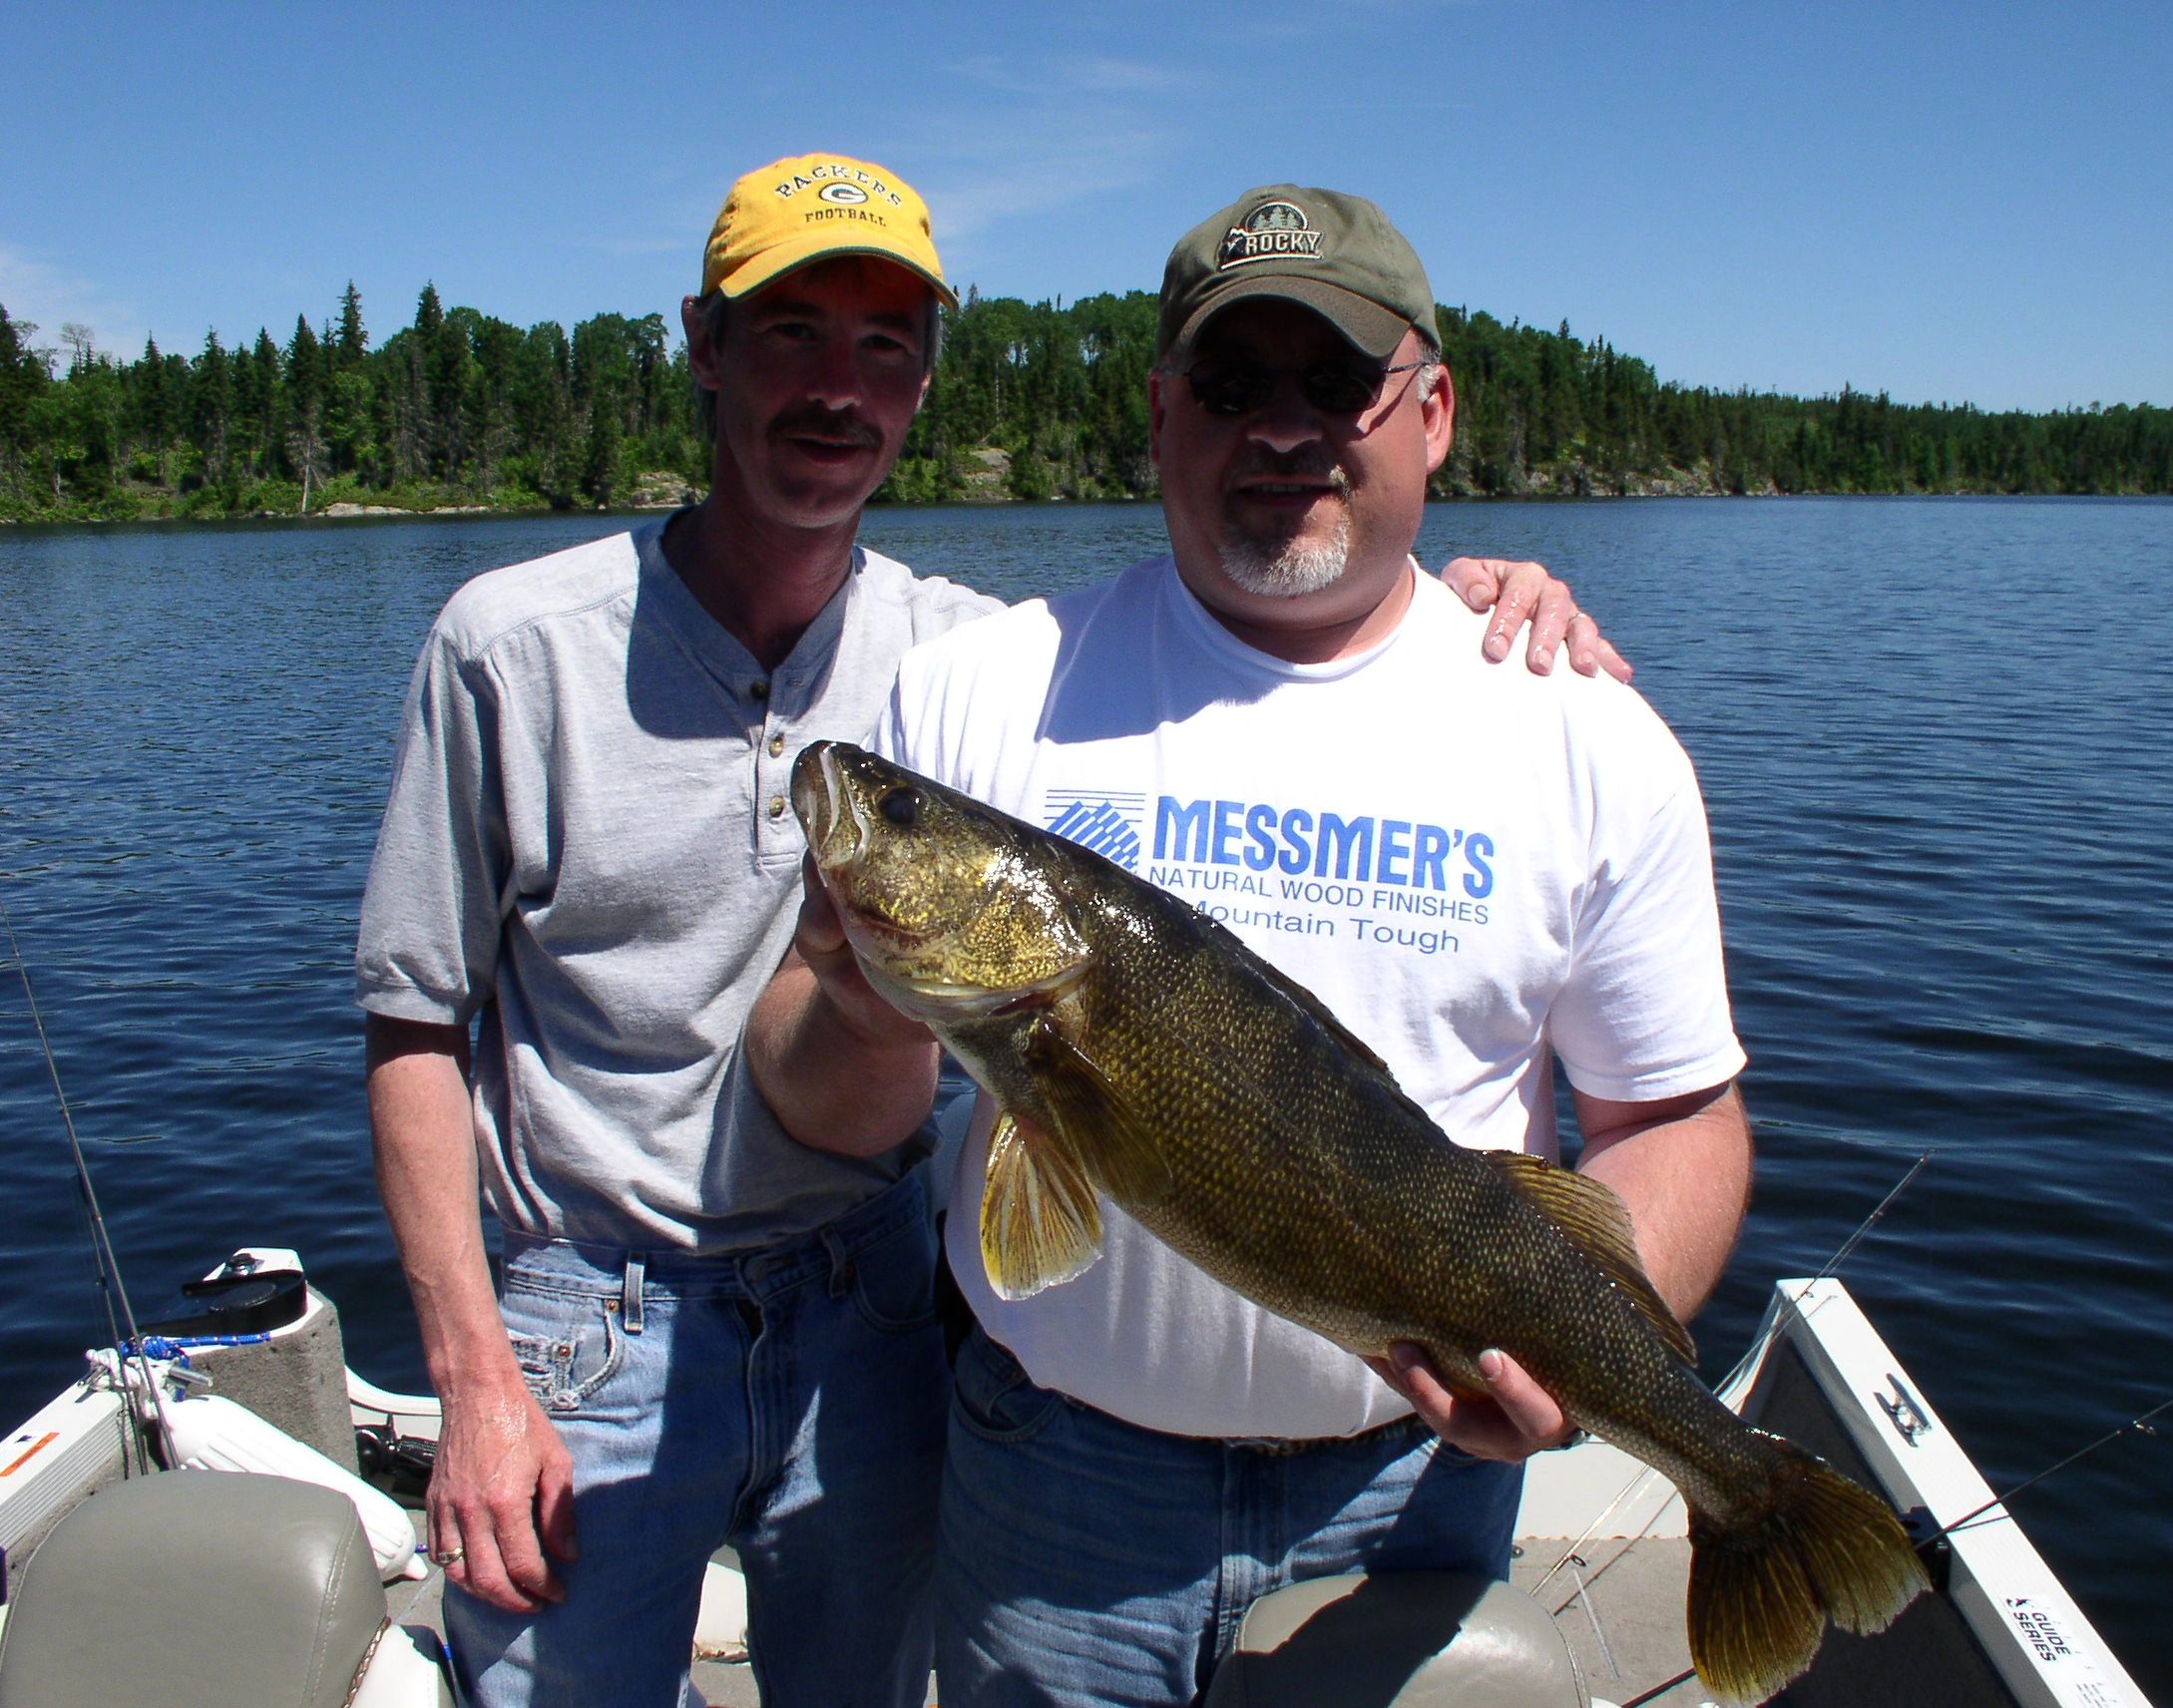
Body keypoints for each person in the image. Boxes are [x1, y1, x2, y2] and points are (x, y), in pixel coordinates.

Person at [357, 155, 1622, 1708]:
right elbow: (416, 1026)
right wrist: (476, 1374)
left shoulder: (963, 658)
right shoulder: (511, 646)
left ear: (927, 375)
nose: (840, 385)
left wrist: (1487, 597)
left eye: (886, 343)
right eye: (792, 331)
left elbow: (1273, 632)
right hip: (594, 1318)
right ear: (701, 342)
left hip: (878, 1308)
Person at [749, 182, 1751, 1708]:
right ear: (1161, 418)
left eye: (1337, 379)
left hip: (1412, 1494)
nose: (1284, 427)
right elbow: (815, 1105)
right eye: (1230, 384)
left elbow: (1672, 1119)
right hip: (1052, 1492)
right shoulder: (977, 693)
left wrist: (1575, 1374)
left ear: (1433, 413)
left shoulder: (1583, 733)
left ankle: (1744, 1490)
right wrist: (881, 1002)